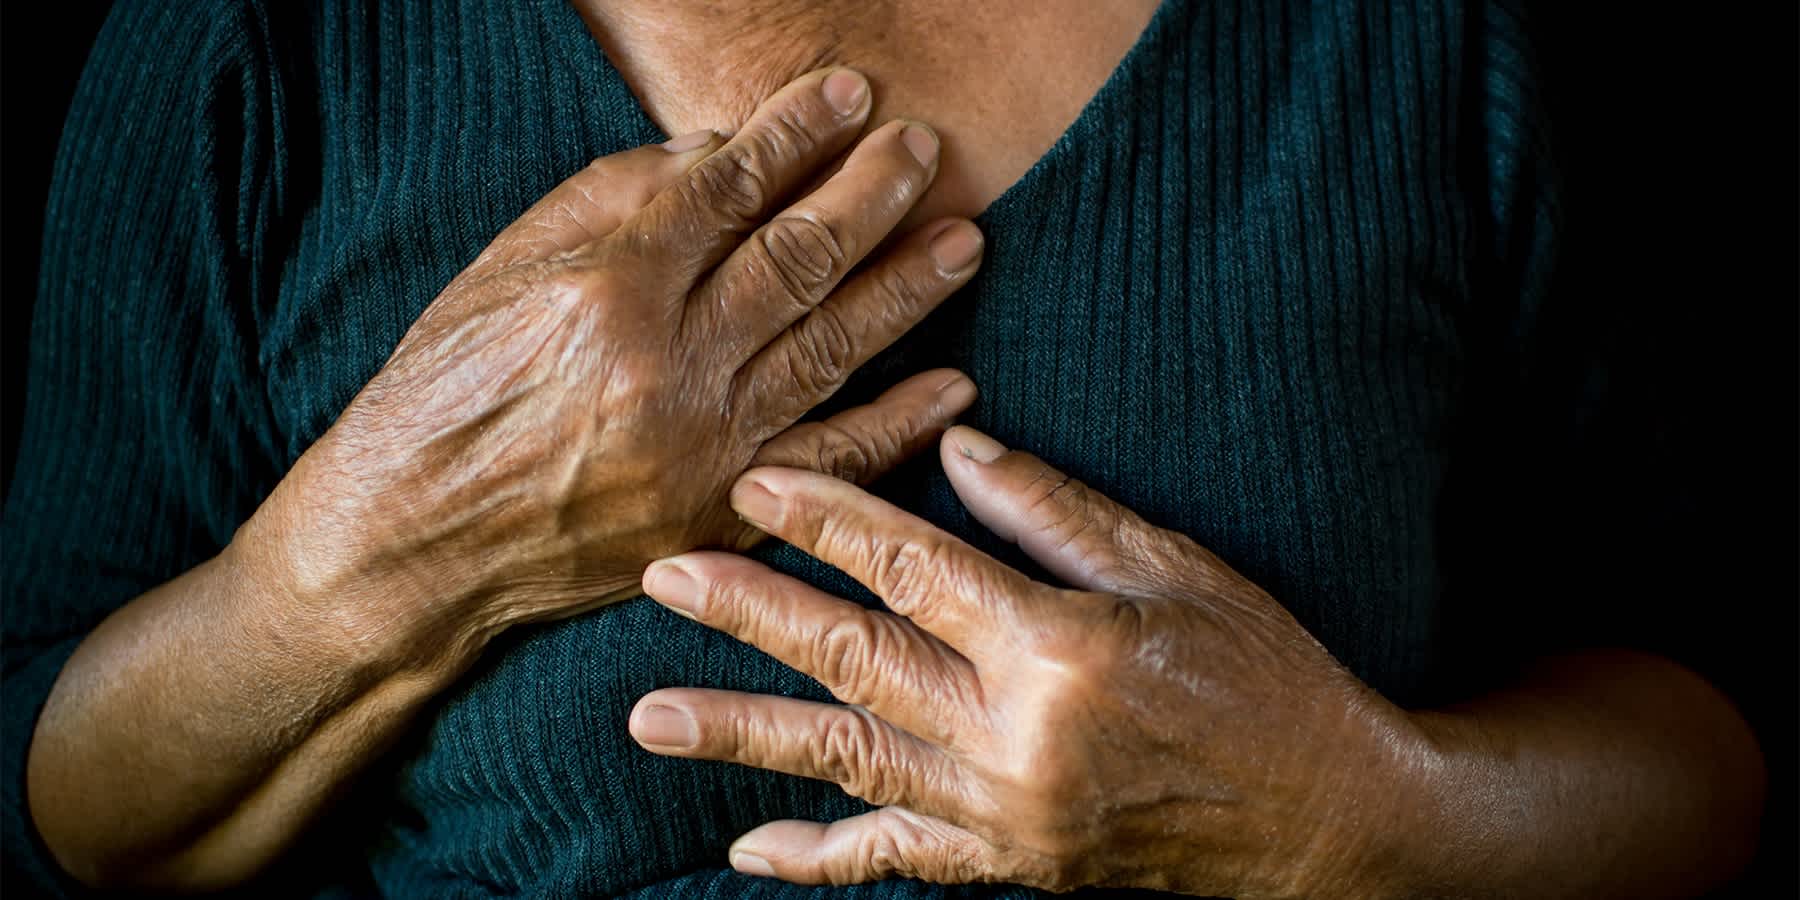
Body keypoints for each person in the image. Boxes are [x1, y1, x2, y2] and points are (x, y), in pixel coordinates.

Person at [2, 0, 1765, 896]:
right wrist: (405, 551)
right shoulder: (272, 48)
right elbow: (55, 799)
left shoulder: (1413, 43)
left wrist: (1348, 816)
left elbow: (1715, 751)